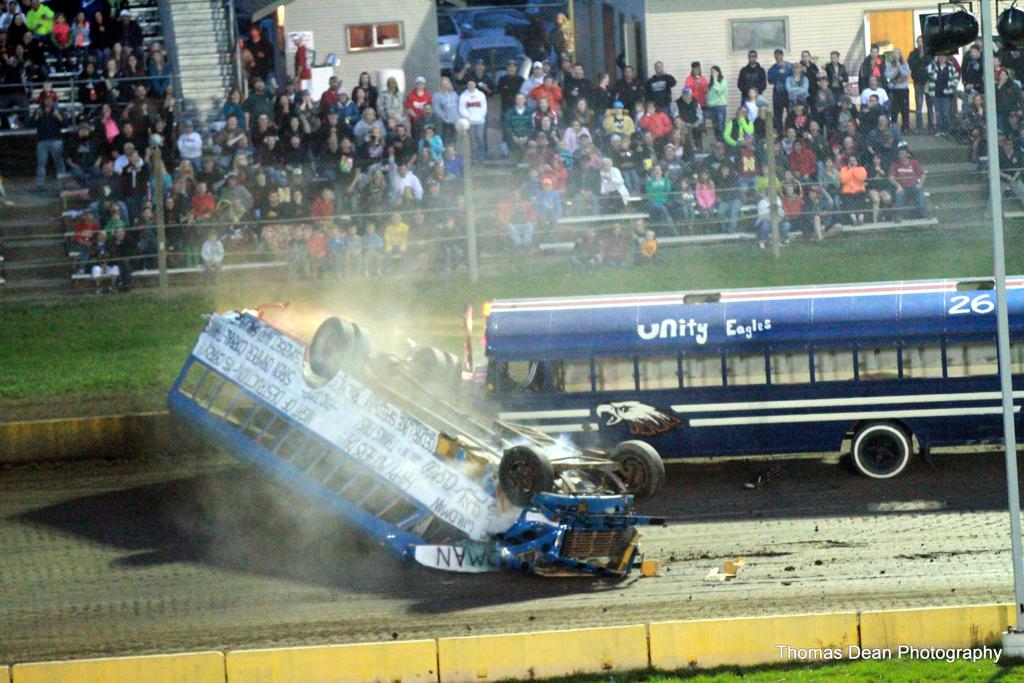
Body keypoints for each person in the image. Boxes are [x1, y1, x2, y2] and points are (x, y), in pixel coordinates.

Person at [888, 145, 928, 219]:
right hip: (902, 188)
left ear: (907, 154)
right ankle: (899, 216)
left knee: (920, 195)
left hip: (914, 187)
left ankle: (924, 215)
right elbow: (891, 178)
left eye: (903, 153)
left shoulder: (914, 162)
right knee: (899, 195)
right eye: (900, 154)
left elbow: (923, 175)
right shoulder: (895, 164)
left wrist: (920, 184)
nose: (901, 155)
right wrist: (898, 186)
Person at [33, 97, 65, 190]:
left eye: (50, 100)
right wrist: (37, 117)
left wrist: (58, 116)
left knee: (59, 163)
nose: (48, 101)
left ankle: (62, 184)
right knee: (41, 164)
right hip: (42, 141)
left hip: (56, 140)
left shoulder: (58, 110)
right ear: (43, 101)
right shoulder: (38, 111)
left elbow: (65, 123)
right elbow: (31, 123)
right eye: (46, 99)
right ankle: (40, 185)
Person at [908, 37, 934, 133]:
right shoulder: (913, 54)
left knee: (930, 105)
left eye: (922, 42)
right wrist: (920, 59)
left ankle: (931, 126)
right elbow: (910, 65)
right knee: (918, 105)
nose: (920, 44)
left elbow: (932, 66)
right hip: (917, 82)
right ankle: (919, 126)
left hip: (928, 82)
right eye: (918, 42)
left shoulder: (930, 53)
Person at [458, 79, 487, 162]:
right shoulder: (463, 96)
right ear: (467, 85)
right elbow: (462, 108)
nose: (471, 86)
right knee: (472, 139)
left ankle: (482, 155)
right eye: (469, 84)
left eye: (472, 84)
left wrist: (481, 116)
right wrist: (468, 117)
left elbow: (484, 107)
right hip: (469, 122)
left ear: (475, 85)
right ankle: (474, 157)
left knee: (480, 138)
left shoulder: (481, 95)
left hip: (480, 121)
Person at [885, 49, 911, 133]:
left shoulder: (904, 63)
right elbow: (887, 75)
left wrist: (900, 67)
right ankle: (893, 126)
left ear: (900, 55)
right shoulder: (889, 64)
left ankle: (905, 127)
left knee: (905, 109)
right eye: (894, 54)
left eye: (897, 53)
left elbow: (907, 74)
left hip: (903, 89)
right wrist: (896, 70)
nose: (896, 55)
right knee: (894, 109)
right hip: (894, 89)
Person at [767, 49, 792, 132]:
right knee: (777, 117)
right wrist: (778, 73)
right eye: (776, 55)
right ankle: (780, 134)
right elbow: (770, 81)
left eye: (779, 55)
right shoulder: (772, 69)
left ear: (782, 55)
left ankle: (790, 132)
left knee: (791, 114)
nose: (777, 57)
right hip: (777, 95)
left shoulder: (789, 66)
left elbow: (794, 78)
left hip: (788, 95)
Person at [706, 66, 728, 141]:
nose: (714, 73)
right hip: (712, 107)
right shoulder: (711, 83)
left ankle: (723, 142)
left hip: (720, 106)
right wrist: (708, 102)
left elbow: (720, 91)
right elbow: (709, 95)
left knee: (721, 126)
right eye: (712, 72)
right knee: (715, 126)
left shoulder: (723, 81)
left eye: (715, 71)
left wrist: (715, 80)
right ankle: (718, 142)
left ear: (719, 72)